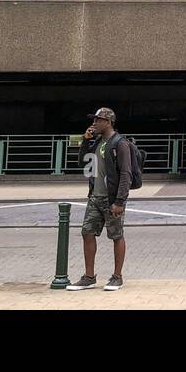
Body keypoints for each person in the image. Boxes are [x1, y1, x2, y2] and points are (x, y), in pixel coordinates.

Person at [67, 107, 134, 291]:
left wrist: (119, 201)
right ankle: (89, 277)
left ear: (108, 122)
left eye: (98, 120)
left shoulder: (120, 144)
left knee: (116, 235)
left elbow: (126, 174)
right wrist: (85, 142)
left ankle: (117, 276)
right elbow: (83, 163)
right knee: (87, 232)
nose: (94, 123)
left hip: (111, 198)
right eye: (94, 120)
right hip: (95, 196)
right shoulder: (96, 142)